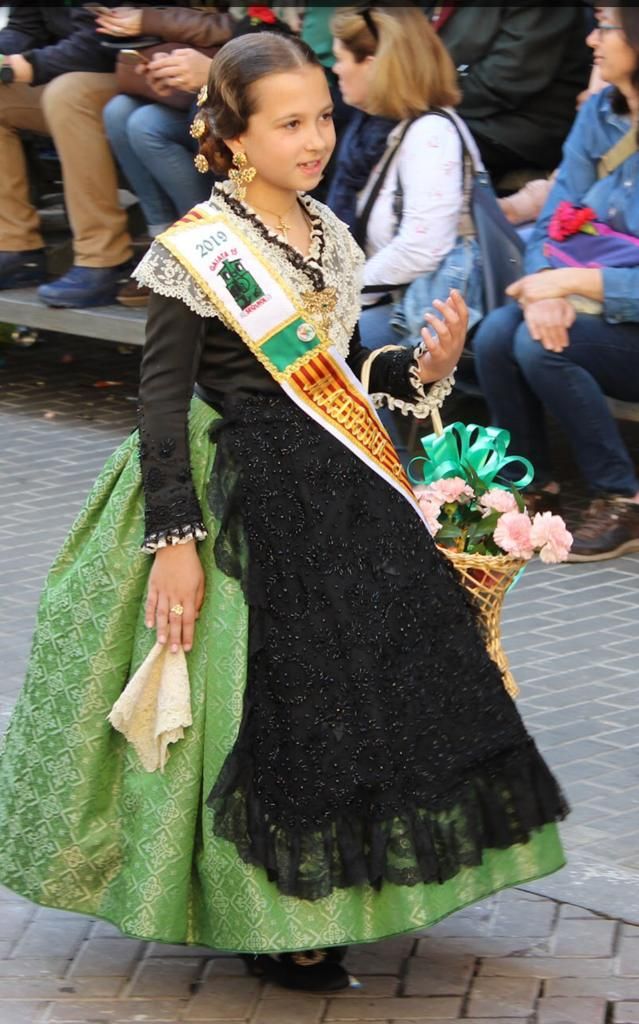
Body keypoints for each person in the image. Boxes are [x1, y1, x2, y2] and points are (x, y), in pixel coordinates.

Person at [0, 33, 567, 993]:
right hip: (229, 493)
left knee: (362, 690)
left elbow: (338, 376)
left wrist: (418, 372)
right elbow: (158, 400)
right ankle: (279, 920)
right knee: (274, 702)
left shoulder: (326, 231)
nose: (314, 139)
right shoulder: (197, 250)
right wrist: (174, 541)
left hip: (332, 481)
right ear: (230, 136)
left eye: (323, 118)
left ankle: (354, 893)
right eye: (290, 122)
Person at [472, 7, 639, 563]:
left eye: (606, 25)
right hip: (581, 300)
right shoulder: (599, 115)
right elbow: (551, 223)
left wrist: (572, 281)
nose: (591, 38)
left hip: (626, 313)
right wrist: (548, 284)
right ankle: (530, 486)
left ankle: (621, 495)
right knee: (498, 332)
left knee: (537, 345)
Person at [0, 3, 160, 307]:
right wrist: (4, 58)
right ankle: (15, 249)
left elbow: (101, 42)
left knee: (69, 94)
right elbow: (25, 27)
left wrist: (21, 66)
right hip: (72, 69)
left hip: (141, 70)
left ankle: (104, 259)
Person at [97, 4, 235, 306]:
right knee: (118, 113)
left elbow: (236, 26)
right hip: (176, 77)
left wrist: (149, 20)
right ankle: (162, 241)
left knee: (144, 125)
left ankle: (208, 248)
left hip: (227, 80)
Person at [424, 4, 591, 182]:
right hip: (459, 107)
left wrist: (425, 102)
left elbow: (506, 79)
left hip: (519, 123)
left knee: (420, 145)